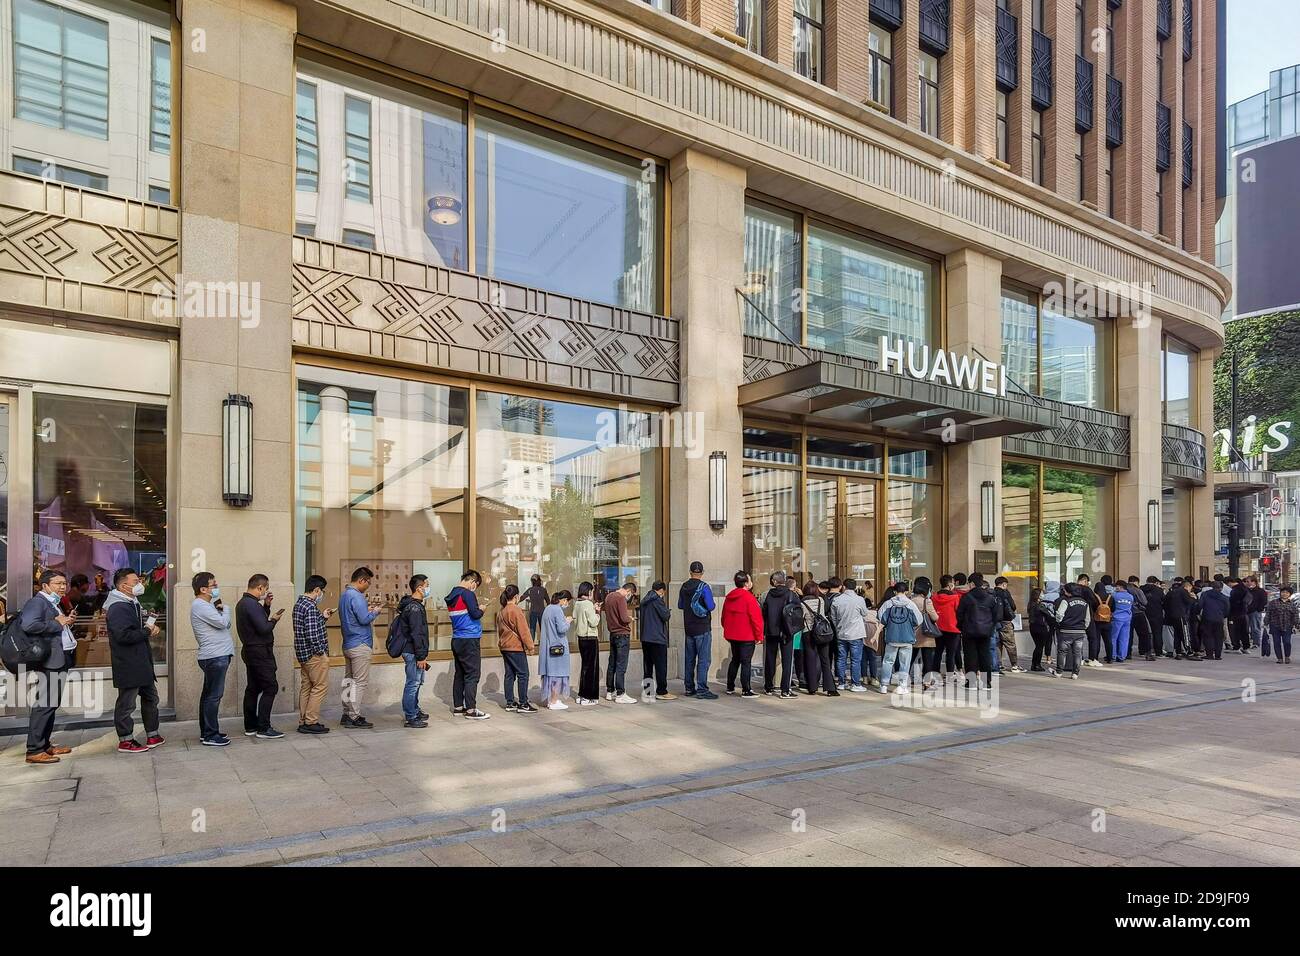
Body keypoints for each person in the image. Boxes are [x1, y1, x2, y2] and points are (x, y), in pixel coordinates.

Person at [104, 568, 165, 754]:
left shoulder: (132, 603)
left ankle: (152, 733)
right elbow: (123, 635)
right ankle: (126, 739)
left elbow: (136, 629)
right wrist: (146, 631)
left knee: (150, 698)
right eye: (136, 581)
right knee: (127, 703)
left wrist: (149, 628)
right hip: (128, 663)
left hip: (142, 661)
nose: (140, 584)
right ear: (123, 586)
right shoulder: (117, 607)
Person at [20, 571, 77, 764]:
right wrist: (57, 623)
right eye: (58, 583)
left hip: (59, 659)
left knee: (51, 703)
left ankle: (44, 745)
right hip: (49, 661)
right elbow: (29, 625)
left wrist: (66, 621)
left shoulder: (53, 603)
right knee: (44, 704)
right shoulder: (38, 602)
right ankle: (34, 749)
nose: (63, 587)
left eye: (64, 583)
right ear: (45, 585)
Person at [236, 574, 285, 739]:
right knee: (271, 687)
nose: (266, 591)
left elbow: (256, 623)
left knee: (253, 688)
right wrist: (274, 620)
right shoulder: (251, 604)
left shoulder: (244, 604)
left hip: (250, 651)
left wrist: (266, 606)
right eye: (266, 588)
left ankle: (250, 726)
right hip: (259, 653)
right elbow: (264, 628)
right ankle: (264, 727)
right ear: (260, 587)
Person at [191, 572, 234, 746]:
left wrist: (222, 613)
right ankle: (210, 734)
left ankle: (207, 731)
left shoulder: (207, 605)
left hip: (217, 655)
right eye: (213, 585)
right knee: (213, 696)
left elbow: (225, 624)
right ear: (203, 589)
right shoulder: (200, 605)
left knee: (209, 695)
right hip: (214, 656)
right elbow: (223, 623)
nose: (216, 588)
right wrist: (227, 610)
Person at [338, 566, 382, 729]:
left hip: (348, 643)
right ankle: (354, 716)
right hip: (360, 643)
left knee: (348, 680)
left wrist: (367, 610)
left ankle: (345, 713)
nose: (368, 585)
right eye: (368, 582)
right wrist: (375, 611)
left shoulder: (344, 596)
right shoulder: (357, 596)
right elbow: (364, 619)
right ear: (361, 580)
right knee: (360, 682)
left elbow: (354, 616)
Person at [292, 575, 335, 735]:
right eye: (321, 591)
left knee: (306, 687)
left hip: (303, 654)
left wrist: (322, 617)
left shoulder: (299, 604)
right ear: (316, 590)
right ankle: (311, 721)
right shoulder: (310, 606)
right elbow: (311, 634)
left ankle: (303, 720)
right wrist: (321, 652)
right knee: (319, 687)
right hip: (314, 655)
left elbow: (307, 627)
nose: (321, 594)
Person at [445, 570, 489, 719]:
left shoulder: (452, 594)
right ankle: (471, 710)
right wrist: (482, 609)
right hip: (469, 639)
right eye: (476, 585)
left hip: (457, 638)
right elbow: (475, 614)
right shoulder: (467, 594)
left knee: (460, 674)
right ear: (472, 581)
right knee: (472, 674)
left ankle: (458, 707)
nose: (474, 588)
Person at [678, 561, 717, 699]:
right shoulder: (704, 587)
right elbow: (711, 606)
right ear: (702, 572)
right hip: (703, 627)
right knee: (703, 660)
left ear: (690, 572)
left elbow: (680, 605)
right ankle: (702, 689)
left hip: (689, 628)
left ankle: (689, 688)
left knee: (689, 659)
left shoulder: (684, 586)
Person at [495, 584, 537, 714]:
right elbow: (523, 630)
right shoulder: (516, 610)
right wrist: (530, 646)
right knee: (523, 674)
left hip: (505, 647)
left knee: (509, 675)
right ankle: (523, 703)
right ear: (516, 596)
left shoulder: (501, 611)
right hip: (515, 647)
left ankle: (510, 702)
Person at [721, 571, 763, 697]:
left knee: (735, 660)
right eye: (749, 580)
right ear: (746, 583)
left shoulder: (729, 597)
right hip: (747, 636)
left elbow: (723, 618)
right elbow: (756, 619)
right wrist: (759, 636)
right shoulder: (749, 598)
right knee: (746, 662)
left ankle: (730, 686)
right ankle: (746, 689)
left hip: (733, 635)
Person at [877, 580, 922, 694]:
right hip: (907, 638)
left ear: (895, 591)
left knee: (888, 661)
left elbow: (880, 617)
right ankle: (902, 686)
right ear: (906, 591)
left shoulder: (887, 603)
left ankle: (884, 685)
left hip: (892, 638)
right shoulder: (911, 604)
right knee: (905, 663)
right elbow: (919, 620)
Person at [829, 576, 871, 693]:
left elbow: (833, 617)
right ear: (855, 587)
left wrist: (838, 627)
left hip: (841, 633)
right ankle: (855, 683)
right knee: (855, 660)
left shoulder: (837, 600)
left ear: (844, 586)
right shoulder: (859, 600)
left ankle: (841, 683)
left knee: (841, 659)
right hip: (856, 634)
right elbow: (865, 613)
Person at [956, 572, 997, 689]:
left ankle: (971, 682)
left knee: (970, 656)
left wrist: (961, 627)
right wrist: (990, 627)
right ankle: (986, 683)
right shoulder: (990, 598)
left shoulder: (966, 597)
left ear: (972, 583)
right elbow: (996, 616)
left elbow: (960, 614)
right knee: (985, 655)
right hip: (986, 632)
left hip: (969, 631)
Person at [761, 571, 798, 698]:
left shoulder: (768, 595)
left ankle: (768, 687)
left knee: (770, 659)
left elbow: (764, 612)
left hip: (771, 631)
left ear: (775, 582)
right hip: (786, 631)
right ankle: (785, 690)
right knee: (787, 661)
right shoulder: (791, 594)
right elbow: (797, 613)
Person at [798, 580, 838, 696]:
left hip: (808, 632)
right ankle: (831, 688)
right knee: (825, 660)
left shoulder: (802, 603)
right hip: (822, 632)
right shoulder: (820, 600)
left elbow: (801, 618)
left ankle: (812, 687)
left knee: (810, 659)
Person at [638, 581, 674, 700]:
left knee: (647, 666)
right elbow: (665, 616)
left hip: (645, 638)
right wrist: (668, 611)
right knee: (660, 666)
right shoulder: (657, 600)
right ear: (661, 590)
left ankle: (648, 691)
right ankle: (662, 691)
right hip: (657, 638)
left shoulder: (645, 600)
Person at [603, 580, 637, 703]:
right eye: (631, 594)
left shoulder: (609, 597)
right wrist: (630, 619)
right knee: (621, 665)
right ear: (629, 591)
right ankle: (620, 693)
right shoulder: (620, 598)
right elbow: (623, 618)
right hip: (622, 634)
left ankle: (609, 691)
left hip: (612, 633)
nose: (630, 597)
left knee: (612, 663)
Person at [538, 591, 573, 710]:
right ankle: (554, 701)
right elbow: (562, 628)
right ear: (563, 600)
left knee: (551, 675)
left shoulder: (548, 608)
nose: (567, 604)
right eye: (567, 601)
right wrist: (568, 621)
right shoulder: (557, 610)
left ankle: (551, 700)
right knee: (558, 675)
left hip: (548, 646)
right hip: (558, 647)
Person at [1052, 583, 1092, 679]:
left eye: (1065, 590)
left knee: (1062, 652)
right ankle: (1075, 673)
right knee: (1077, 653)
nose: (1064, 592)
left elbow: (1059, 615)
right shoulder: (1085, 603)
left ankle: (1059, 672)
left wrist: (1059, 622)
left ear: (1069, 592)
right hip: (1080, 631)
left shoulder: (1066, 601)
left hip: (1066, 630)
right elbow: (1087, 619)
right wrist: (1083, 627)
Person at [572, 582, 600, 705]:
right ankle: (589, 696)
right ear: (588, 591)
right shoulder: (588, 604)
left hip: (581, 638)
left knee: (585, 667)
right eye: (592, 591)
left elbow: (574, 617)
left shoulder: (577, 603)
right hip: (590, 637)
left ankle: (581, 694)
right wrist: (597, 612)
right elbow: (593, 622)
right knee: (591, 669)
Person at [931, 575, 962, 681]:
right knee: (951, 653)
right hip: (953, 628)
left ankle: (935, 672)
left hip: (938, 627)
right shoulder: (955, 597)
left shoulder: (934, 597)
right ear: (950, 584)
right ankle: (950, 674)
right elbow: (959, 611)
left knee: (937, 652)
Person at [991, 576, 1022, 673]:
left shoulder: (991, 593)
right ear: (1004, 584)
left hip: (995, 621)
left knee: (997, 644)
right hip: (1006, 621)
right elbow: (1012, 606)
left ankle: (999, 664)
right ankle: (1014, 665)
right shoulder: (1005, 593)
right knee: (1010, 644)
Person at [1196, 581, 1231, 660]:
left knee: (1208, 636)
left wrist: (1198, 613)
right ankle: (1218, 655)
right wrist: (1223, 616)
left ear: (1212, 586)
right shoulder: (1225, 597)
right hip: (1219, 619)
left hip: (1207, 617)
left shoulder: (1205, 594)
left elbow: (1199, 605)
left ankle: (1209, 654)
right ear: (1221, 588)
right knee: (1219, 637)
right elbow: (1227, 610)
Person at [1028, 584, 1057, 672]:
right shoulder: (1039, 605)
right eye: (1041, 593)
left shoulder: (1031, 604)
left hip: (1033, 627)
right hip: (1041, 627)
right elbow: (1048, 615)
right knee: (1040, 647)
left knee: (1038, 646)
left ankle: (1034, 664)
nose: (1043, 594)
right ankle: (1037, 664)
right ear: (1038, 595)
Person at [1264, 585, 1295, 663]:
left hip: (1287, 626)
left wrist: (1296, 625)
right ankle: (1279, 658)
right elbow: (1268, 613)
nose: (1284, 594)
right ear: (1280, 593)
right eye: (1283, 592)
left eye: (1287, 593)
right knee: (1277, 642)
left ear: (1290, 594)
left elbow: (1295, 616)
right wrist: (1265, 623)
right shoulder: (1273, 603)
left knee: (1287, 642)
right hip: (1275, 625)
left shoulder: (1292, 604)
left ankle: (1287, 657)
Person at [1165, 576, 1193, 660]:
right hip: (1182, 615)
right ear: (1187, 586)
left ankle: (1178, 652)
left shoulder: (1171, 592)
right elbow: (1189, 602)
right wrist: (1193, 598)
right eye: (1190, 588)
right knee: (1185, 633)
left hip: (1172, 616)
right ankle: (1189, 651)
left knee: (1177, 634)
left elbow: (1165, 604)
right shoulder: (1183, 592)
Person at [1107, 579, 1135, 663]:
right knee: (1124, 638)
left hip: (1116, 618)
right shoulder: (1130, 596)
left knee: (1113, 638)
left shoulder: (1114, 595)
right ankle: (1122, 656)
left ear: (1120, 586)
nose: (1115, 588)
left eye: (1116, 586)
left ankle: (1113, 655)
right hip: (1127, 619)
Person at [1141, 576, 1166, 660]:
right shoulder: (1159, 590)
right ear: (1156, 582)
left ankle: (1143, 650)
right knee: (1157, 633)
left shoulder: (1141, 589)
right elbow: (1164, 601)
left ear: (1147, 581)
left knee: (1144, 633)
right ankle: (1158, 651)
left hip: (1144, 613)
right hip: (1157, 614)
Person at [1227, 577, 1250, 653]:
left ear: (1230, 582)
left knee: (1234, 631)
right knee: (1244, 631)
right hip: (1244, 613)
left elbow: (1231, 602)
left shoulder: (1234, 590)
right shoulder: (1245, 588)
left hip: (1234, 613)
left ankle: (1236, 647)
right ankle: (1246, 647)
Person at [524, 574, 549, 644]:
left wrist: (515, 602)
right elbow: (548, 601)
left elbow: (522, 597)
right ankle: (545, 643)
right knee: (543, 628)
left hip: (533, 611)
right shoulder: (543, 590)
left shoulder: (530, 590)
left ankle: (531, 644)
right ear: (539, 581)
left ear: (532, 582)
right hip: (542, 611)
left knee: (532, 628)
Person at [1248, 576, 1268, 650]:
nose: (1247, 583)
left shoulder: (1260, 591)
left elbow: (1264, 601)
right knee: (1247, 628)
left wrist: (1258, 609)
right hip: (1246, 611)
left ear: (1254, 582)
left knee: (1255, 627)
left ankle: (1256, 643)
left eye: (1248, 581)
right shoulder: (1247, 590)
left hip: (1255, 611)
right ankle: (1248, 642)